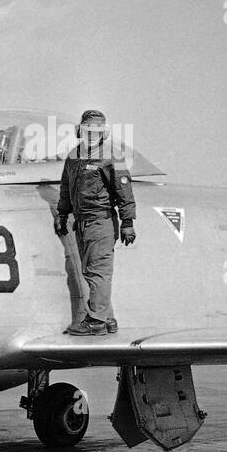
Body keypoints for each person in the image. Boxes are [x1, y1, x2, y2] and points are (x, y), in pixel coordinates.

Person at [54, 110, 136, 336]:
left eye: (96, 131)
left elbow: (124, 190)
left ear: (104, 133)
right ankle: (107, 318)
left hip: (101, 222)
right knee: (90, 271)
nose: (91, 135)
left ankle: (96, 321)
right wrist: (62, 214)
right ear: (80, 130)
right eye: (88, 130)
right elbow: (65, 187)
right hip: (81, 222)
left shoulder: (112, 156)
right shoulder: (73, 155)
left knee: (98, 272)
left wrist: (128, 222)